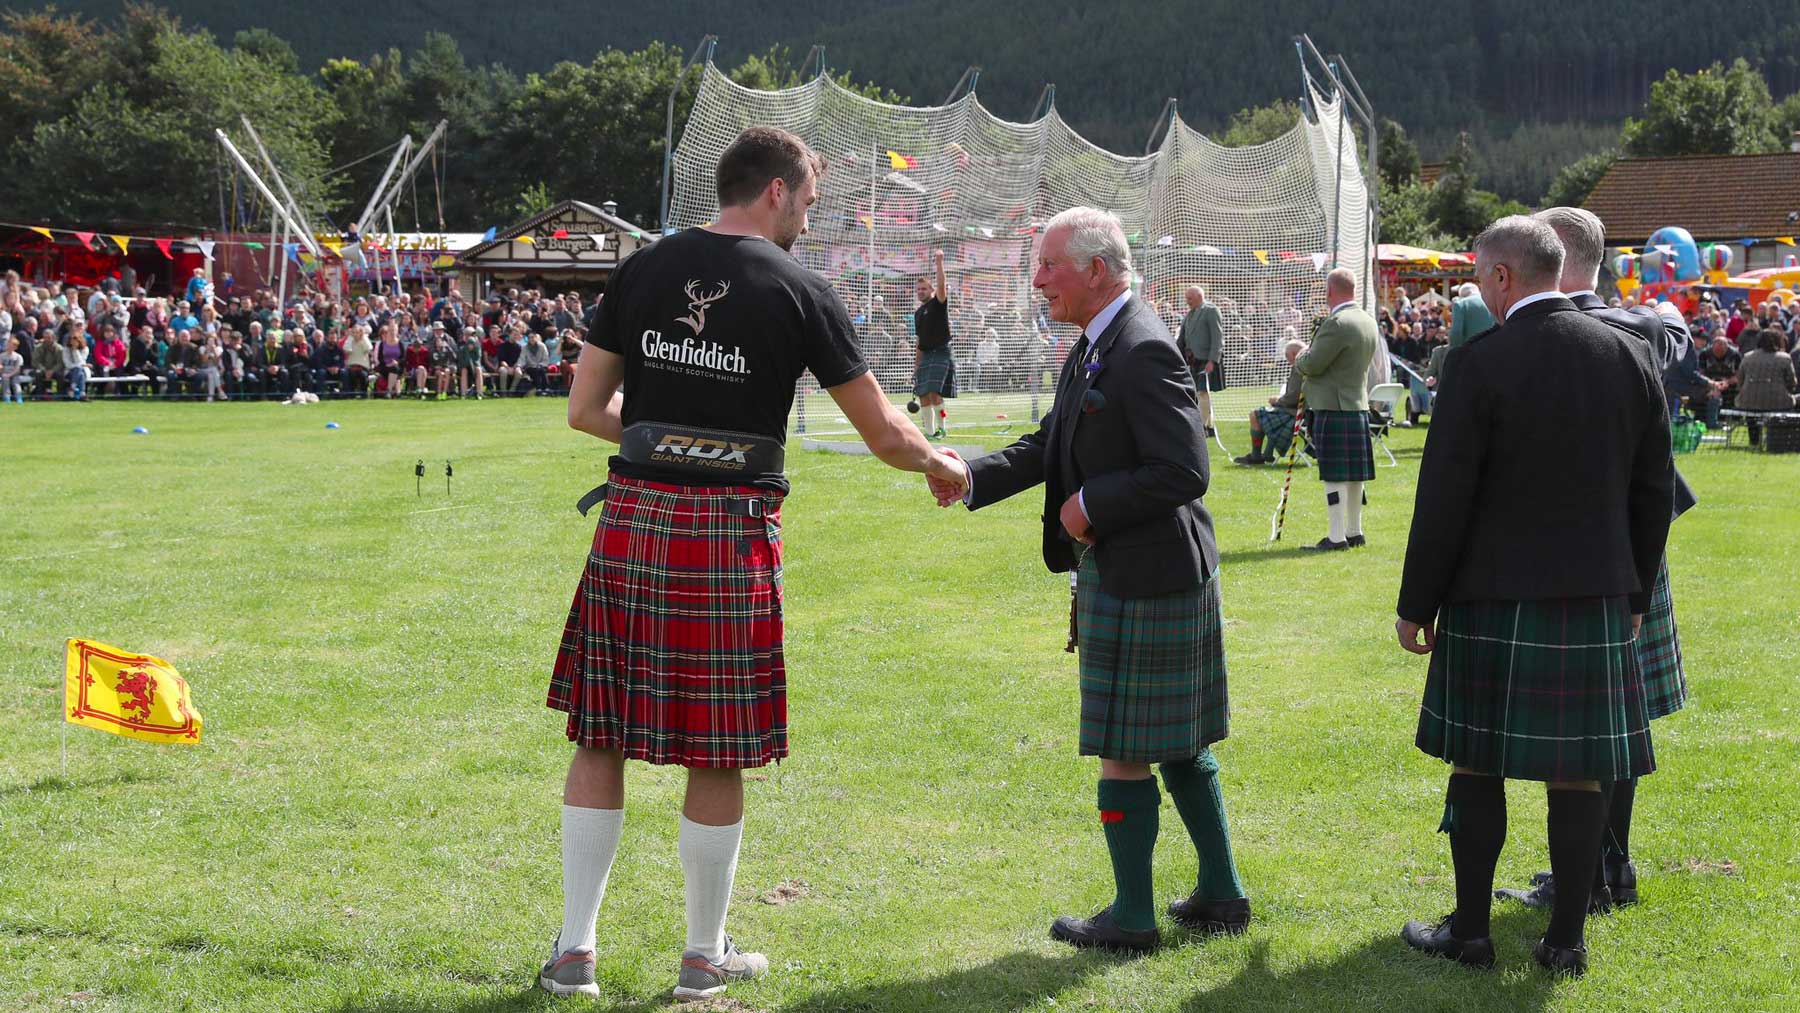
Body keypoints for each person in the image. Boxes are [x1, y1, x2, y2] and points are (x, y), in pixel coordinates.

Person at [540, 124, 968, 1001]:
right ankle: (702, 959)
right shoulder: (801, 291)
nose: (807, 221)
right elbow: (885, 433)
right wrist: (942, 463)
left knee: (600, 732)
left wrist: (670, 434)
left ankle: (574, 953)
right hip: (729, 531)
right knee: (717, 747)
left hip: (636, 519)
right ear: (776, 189)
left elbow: (585, 410)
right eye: (807, 202)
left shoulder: (644, 268)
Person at [930, 206, 1249, 955]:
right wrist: (971, 475)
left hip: (1149, 573)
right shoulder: (1097, 343)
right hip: (1149, 569)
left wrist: (1089, 503)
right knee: (1180, 742)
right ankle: (1221, 894)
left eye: (1048, 265)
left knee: (1125, 745)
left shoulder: (1141, 347)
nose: (1037, 279)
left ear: (1096, 270)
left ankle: (1134, 918)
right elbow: (1054, 439)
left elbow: (1185, 468)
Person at [1396, 215, 1672, 978]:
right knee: (1579, 768)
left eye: (1482, 276)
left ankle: (1473, 933)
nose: (1480, 289)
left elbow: (1443, 496)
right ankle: (1565, 941)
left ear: (1504, 278)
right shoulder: (1629, 352)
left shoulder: (1478, 363)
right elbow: (1653, 492)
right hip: (1595, 597)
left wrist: (1416, 602)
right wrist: (1638, 588)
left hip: (1491, 597)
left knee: (1476, 761)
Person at [1492, 208, 1700, 915]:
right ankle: (1610, 868)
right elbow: (1673, 332)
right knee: (1616, 719)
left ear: (1557, 255)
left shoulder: (1599, 329)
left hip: (1591, 554)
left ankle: (1601, 873)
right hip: (1632, 546)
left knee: (1598, 724)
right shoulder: (1647, 324)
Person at [1295, 268, 1380, 550]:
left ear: (1330, 291)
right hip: (1357, 405)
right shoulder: (1368, 320)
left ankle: (1335, 536)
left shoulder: (1337, 323)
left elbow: (1313, 364)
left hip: (1332, 406)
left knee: (1333, 474)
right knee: (1355, 474)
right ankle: (1355, 531)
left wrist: (1299, 356)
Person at [1234, 337, 1305, 464]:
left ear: (1295, 354)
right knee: (1271, 413)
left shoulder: (1299, 368)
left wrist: (1277, 400)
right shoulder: (1309, 365)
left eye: (1288, 356)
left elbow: (1293, 397)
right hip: (1302, 413)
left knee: (1255, 414)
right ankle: (1267, 453)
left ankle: (1256, 455)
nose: (1288, 361)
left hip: (1295, 414)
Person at [911, 248, 955, 437]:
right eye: (918, 289)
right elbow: (920, 341)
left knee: (935, 394)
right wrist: (916, 364)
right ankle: (929, 433)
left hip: (941, 352)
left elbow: (942, 285)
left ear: (932, 290)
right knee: (923, 394)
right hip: (927, 355)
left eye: (924, 289)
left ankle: (942, 428)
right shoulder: (918, 313)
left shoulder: (939, 303)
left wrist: (939, 263)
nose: (921, 292)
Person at [1734, 328, 1798, 446]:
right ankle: (1779, 440)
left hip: (1749, 401)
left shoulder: (1748, 357)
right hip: (1779, 403)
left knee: (1751, 410)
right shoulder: (1785, 358)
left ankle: (1754, 441)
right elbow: (1792, 383)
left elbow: (1740, 381)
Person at [1178, 285, 1226, 437]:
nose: (1187, 301)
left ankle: (1201, 427)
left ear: (1199, 296)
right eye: (1186, 298)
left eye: (1190, 298)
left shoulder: (1211, 311)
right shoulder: (1189, 315)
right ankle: (1209, 426)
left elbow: (1217, 337)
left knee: (1202, 392)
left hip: (1207, 360)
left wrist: (1213, 360)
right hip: (1193, 360)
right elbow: (1182, 339)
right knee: (1200, 393)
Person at [2, 336, 25, 403]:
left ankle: (18, 397)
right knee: (5, 381)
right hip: (5, 374)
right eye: (8, 345)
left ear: (15, 347)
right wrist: (3, 371)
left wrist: (10, 374)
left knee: (16, 383)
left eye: (11, 345)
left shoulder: (18, 356)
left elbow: (18, 368)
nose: (9, 346)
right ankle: (7, 397)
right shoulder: (2, 356)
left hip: (15, 374)